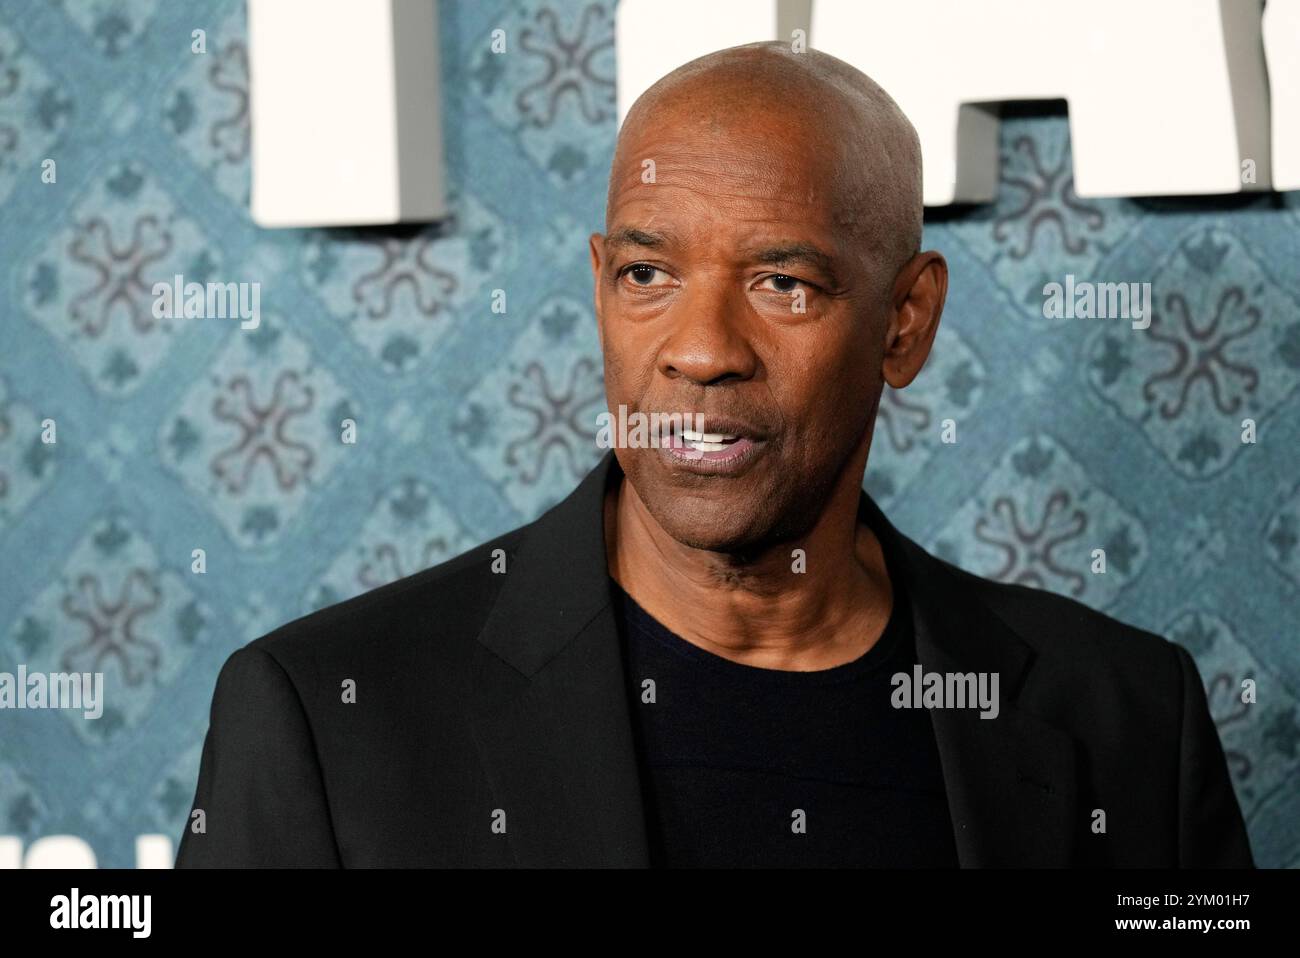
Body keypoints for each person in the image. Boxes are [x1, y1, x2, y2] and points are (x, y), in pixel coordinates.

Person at [175, 41, 1253, 868]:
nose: (698, 351)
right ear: (600, 284)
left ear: (905, 322)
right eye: (647, 275)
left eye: (783, 283)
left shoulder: (1124, 721)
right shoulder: (332, 713)